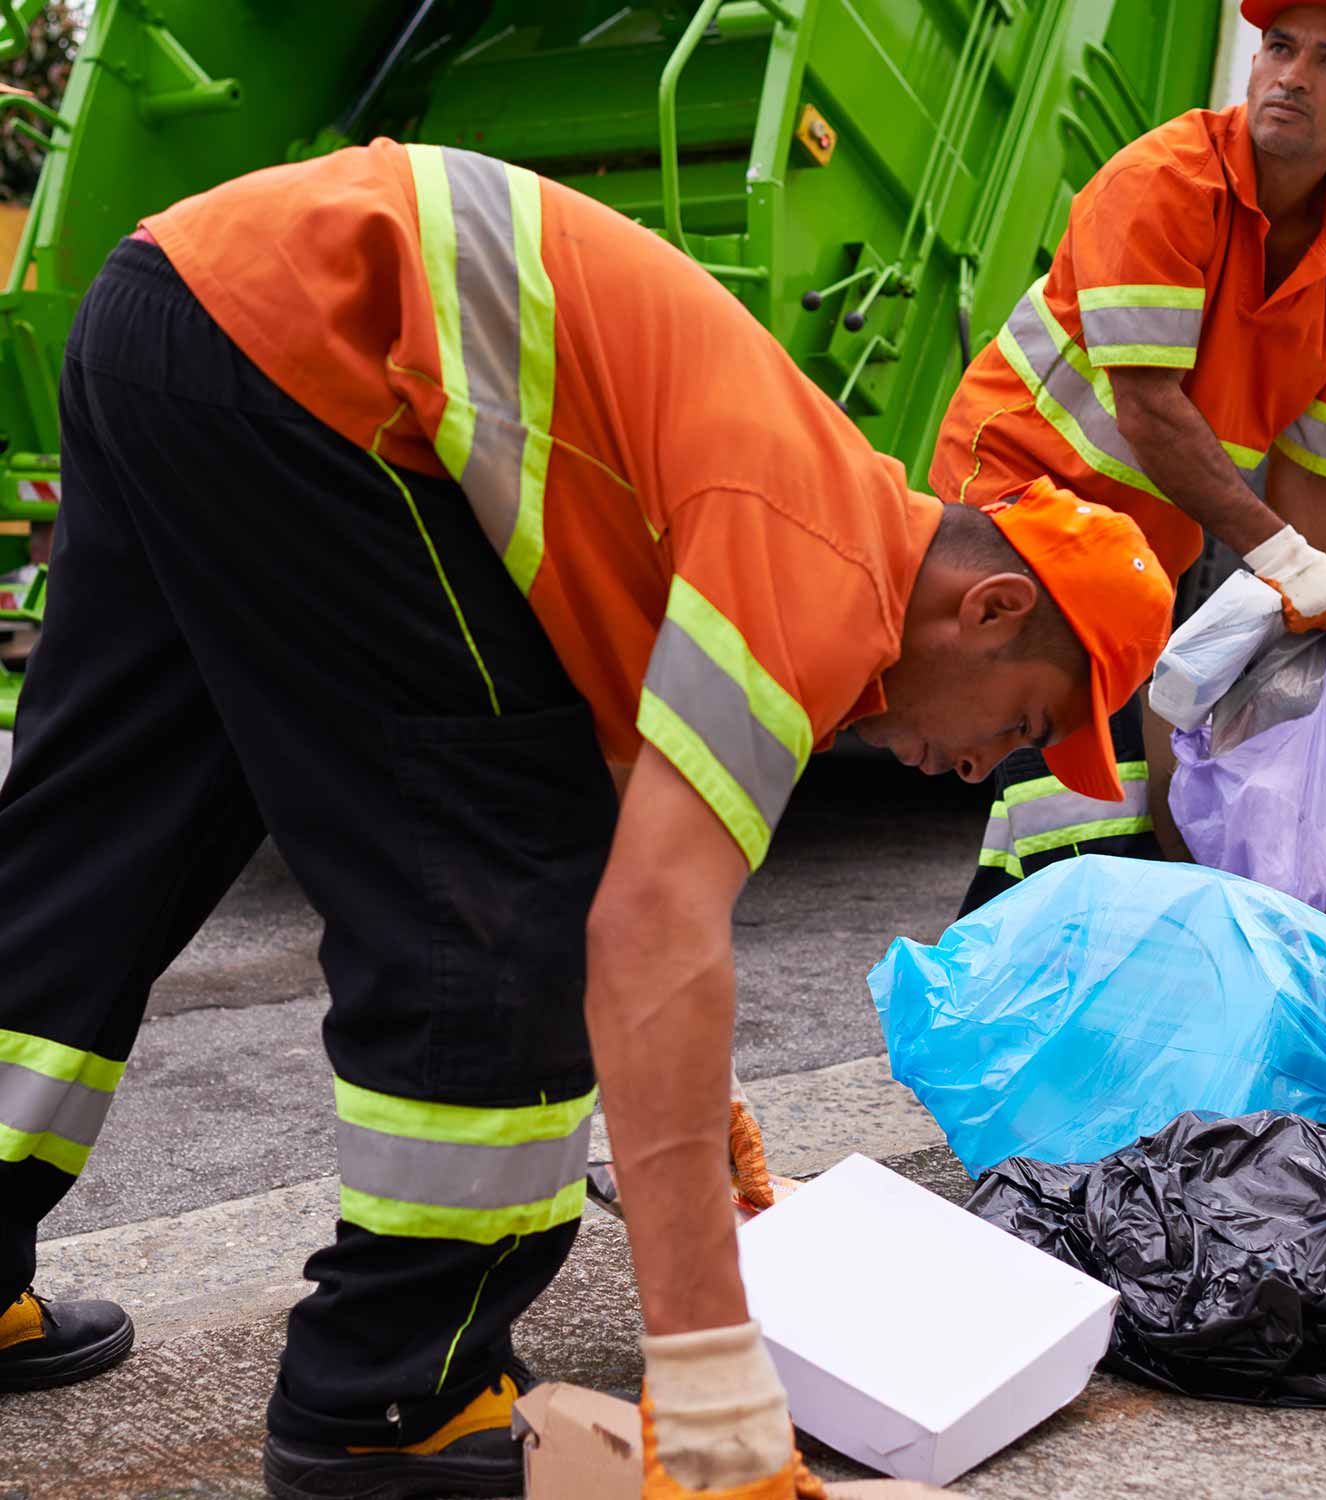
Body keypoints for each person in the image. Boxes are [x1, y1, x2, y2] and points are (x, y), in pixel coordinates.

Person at [0, 138, 1173, 1500]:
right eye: (1021, 728)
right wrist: (715, 1387)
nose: (978, 772)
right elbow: (642, 930)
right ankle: (394, 1398)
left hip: (179, 305)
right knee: (496, 902)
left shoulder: (798, 511)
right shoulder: (817, 567)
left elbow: (641, 836)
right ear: (992, 609)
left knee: (98, 846)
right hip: (315, 355)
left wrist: (694, 1093)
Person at [930, 0, 1326, 916]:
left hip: (1139, 541)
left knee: (1120, 782)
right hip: (1024, 485)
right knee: (1080, 762)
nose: (1292, 75)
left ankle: (1014, 953)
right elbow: (1148, 409)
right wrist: (1285, 566)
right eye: (1278, 47)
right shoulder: (1166, 179)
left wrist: (1302, 631)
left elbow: (1316, 470)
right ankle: (1046, 959)